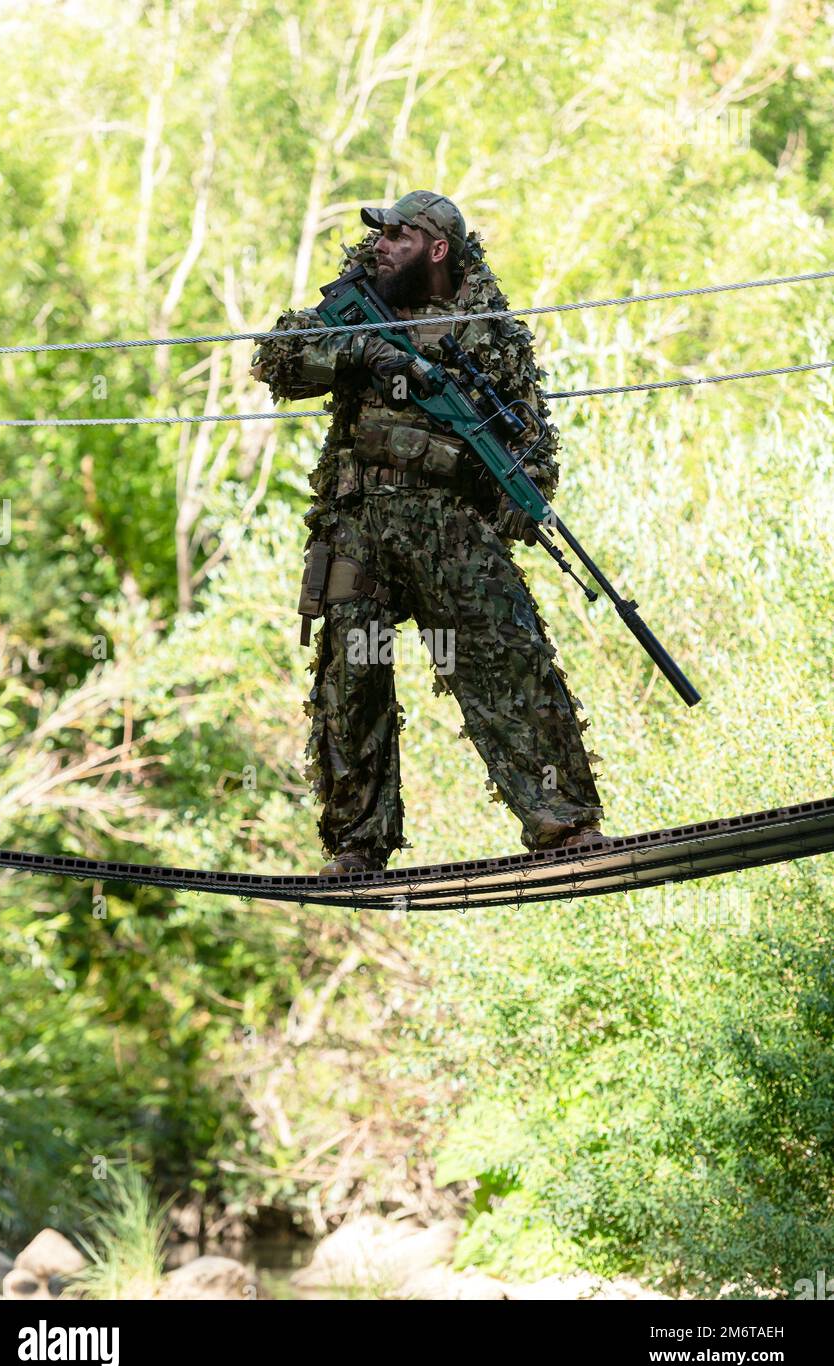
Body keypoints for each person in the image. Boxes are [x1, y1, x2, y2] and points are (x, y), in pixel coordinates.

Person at [252, 191, 605, 874]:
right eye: (379, 236)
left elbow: (530, 440)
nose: (382, 246)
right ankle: (357, 844)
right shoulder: (354, 306)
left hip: (449, 528)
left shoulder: (487, 330)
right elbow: (277, 359)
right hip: (358, 525)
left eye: (399, 237)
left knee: (507, 660)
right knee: (350, 683)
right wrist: (361, 355)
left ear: (437, 249)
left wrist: (513, 506)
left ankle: (564, 827)